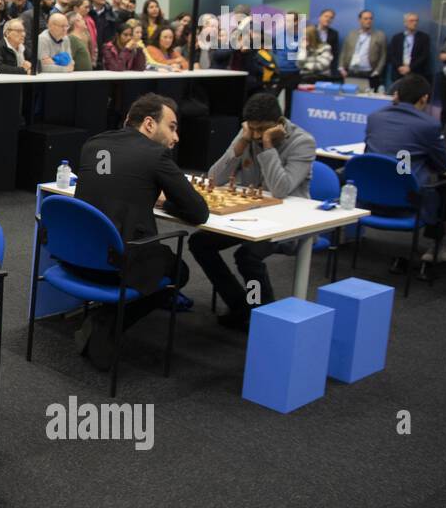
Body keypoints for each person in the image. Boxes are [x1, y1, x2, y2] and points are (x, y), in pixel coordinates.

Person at [71, 94, 209, 367]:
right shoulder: (156, 155)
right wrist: (166, 202)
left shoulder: (93, 143)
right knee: (178, 270)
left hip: (75, 257)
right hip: (118, 264)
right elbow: (198, 212)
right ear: (148, 124)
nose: (176, 137)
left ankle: (103, 316)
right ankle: (105, 323)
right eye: (171, 127)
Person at [188, 92, 316, 330]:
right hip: (249, 216)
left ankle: (266, 316)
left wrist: (268, 146)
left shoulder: (302, 142)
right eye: (252, 130)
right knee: (199, 243)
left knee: (247, 255)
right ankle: (239, 303)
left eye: (262, 131)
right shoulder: (248, 135)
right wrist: (241, 144)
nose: (256, 135)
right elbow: (214, 178)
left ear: (279, 123)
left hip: (288, 224)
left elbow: (280, 189)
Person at [365, 74, 446, 263]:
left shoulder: (374, 118)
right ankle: (443, 242)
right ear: (424, 98)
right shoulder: (428, 125)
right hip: (407, 202)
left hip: (368, 199)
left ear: (396, 95)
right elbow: (444, 165)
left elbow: (370, 155)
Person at [340, 9, 386, 90]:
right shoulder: (351, 34)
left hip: (370, 74)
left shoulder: (380, 35)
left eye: (370, 18)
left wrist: (377, 71)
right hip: (351, 72)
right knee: (349, 97)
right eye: (366, 19)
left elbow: (383, 55)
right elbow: (344, 51)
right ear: (359, 20)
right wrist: (341, 67)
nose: (369, 21)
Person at [386, 13, 431, 86]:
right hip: (398, 74)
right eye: (411, 21)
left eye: (416, 21)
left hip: (416, 73)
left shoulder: (424, 38)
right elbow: (391, 54)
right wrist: (400, 67)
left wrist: (410, 68)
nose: (415, 23)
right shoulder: (397, 38)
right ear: (405, 23)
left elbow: (424, 56)